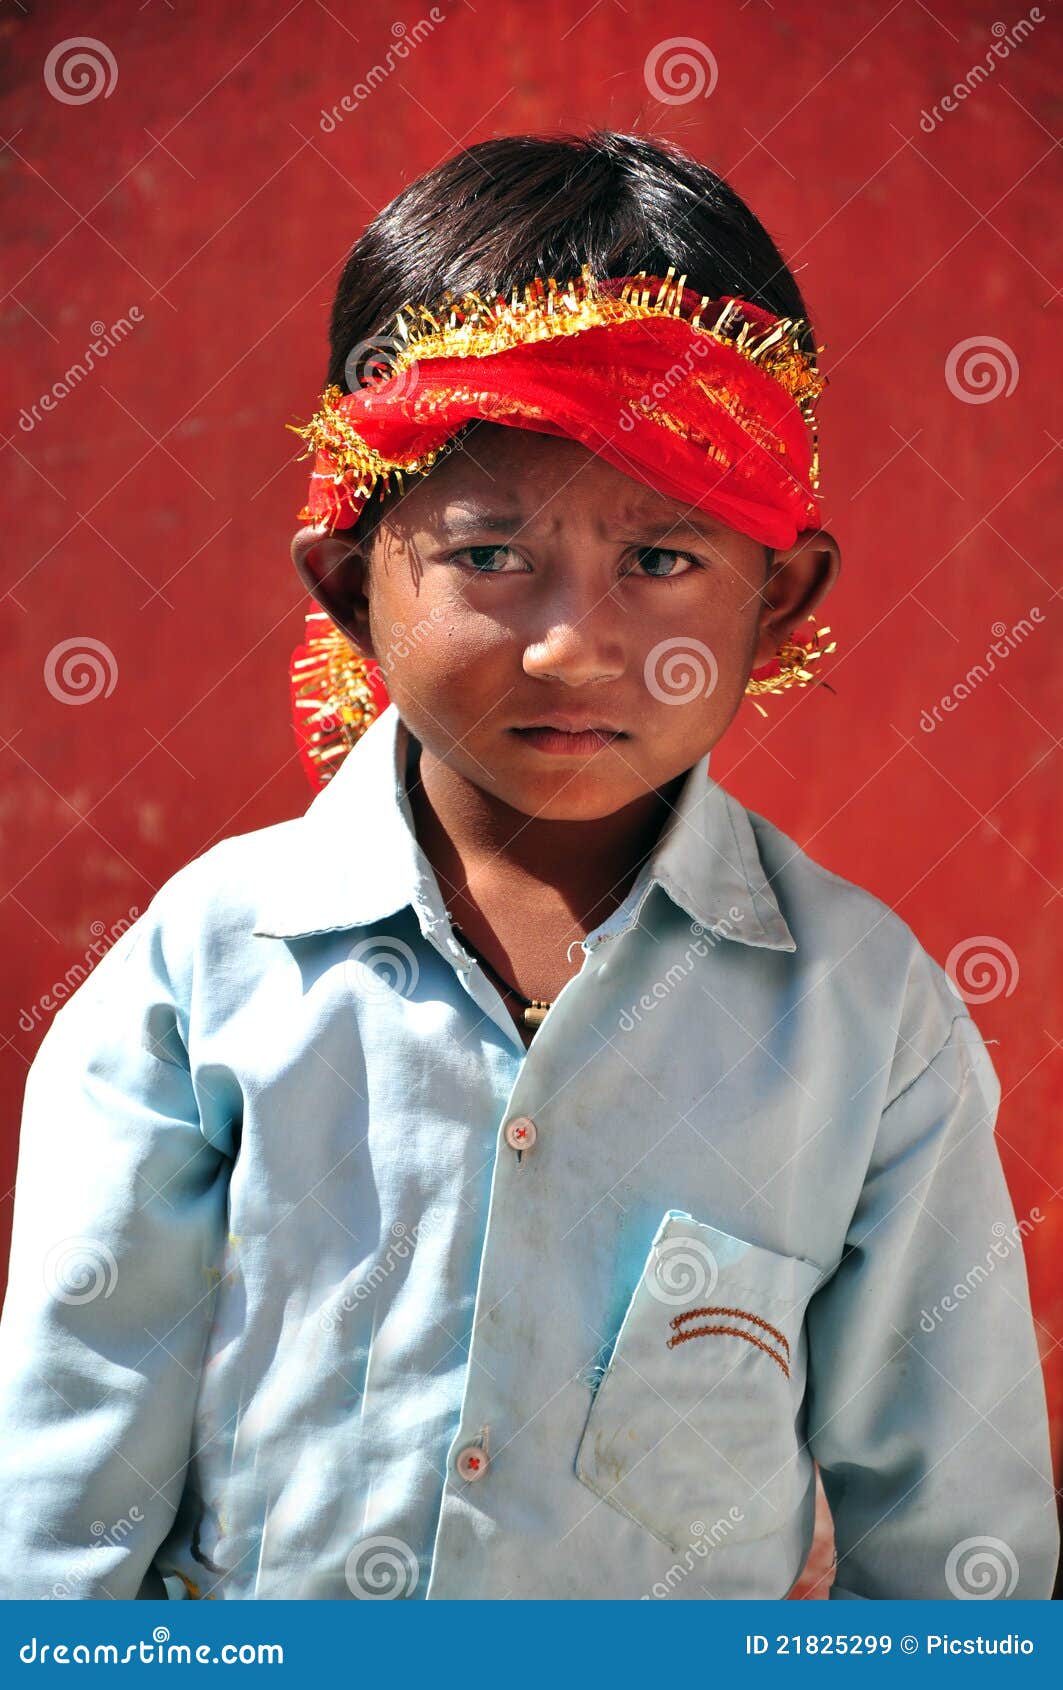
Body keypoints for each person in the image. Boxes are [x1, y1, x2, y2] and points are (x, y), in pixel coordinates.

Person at [0, 129, 1056, 1602]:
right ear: (348, 578)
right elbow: (60, 1511)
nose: (573, 643)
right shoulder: (200, 977)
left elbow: (957, 1556)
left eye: (666, 558)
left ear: (784, 598)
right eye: (490, 555)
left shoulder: (870, 1024)